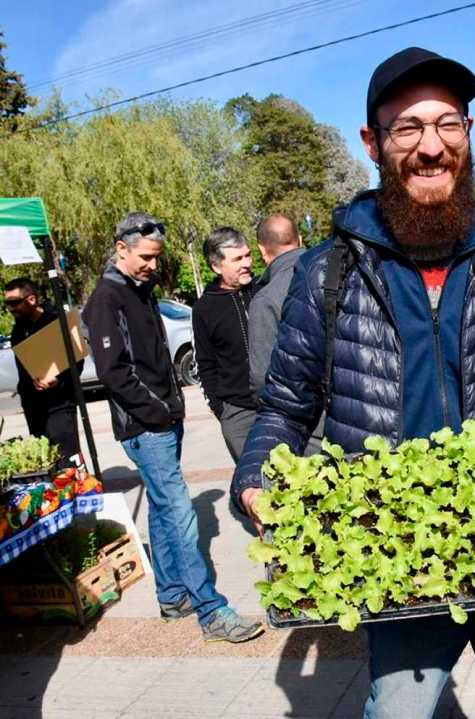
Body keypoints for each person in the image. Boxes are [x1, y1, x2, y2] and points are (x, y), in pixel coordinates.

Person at [232, 47, 475, 718]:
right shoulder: (329, 272)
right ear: (372, 142)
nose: (430, 146)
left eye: (447, 124)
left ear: (468, 135)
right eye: (407, 127)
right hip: (394, 547)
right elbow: (284, 408)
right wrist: (255, 476)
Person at [83, 213, 263, 643]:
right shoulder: (106, 299)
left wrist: (172, 408)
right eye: (145, 257)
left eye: (157, 258)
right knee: (180, 512)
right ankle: (211, 611)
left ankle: (172, 596)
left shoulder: (139, 290)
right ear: (121, 248)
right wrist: (158, 411)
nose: (152, 265)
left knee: (165, 513)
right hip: (145, 427)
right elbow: (112, 371)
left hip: (163, 419)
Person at [192, 227, 258, 463]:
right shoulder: (204, 309)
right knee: (254, 488)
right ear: (216, 266)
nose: (246, 263)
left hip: (278, 405)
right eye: (237, 259)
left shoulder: (263, 290)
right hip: (238, 413)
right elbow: (205, 364)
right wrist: (222, 410)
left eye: (248, 255)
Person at [5, 278, 82, 461]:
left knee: (67, 459)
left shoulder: (56, 323)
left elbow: (76, 363)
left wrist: (59, 381)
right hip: (34, 406)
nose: (10, 308)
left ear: (31, 299)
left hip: (60, 405)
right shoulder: (18, 329)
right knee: (46, 460)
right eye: (7, 303)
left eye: (14, 302)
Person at [248, 214, 304, 394]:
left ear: (262, 250)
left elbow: (262, 378)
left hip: (302, 413)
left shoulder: (265, 300)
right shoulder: (342, 274)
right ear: (300, 240)